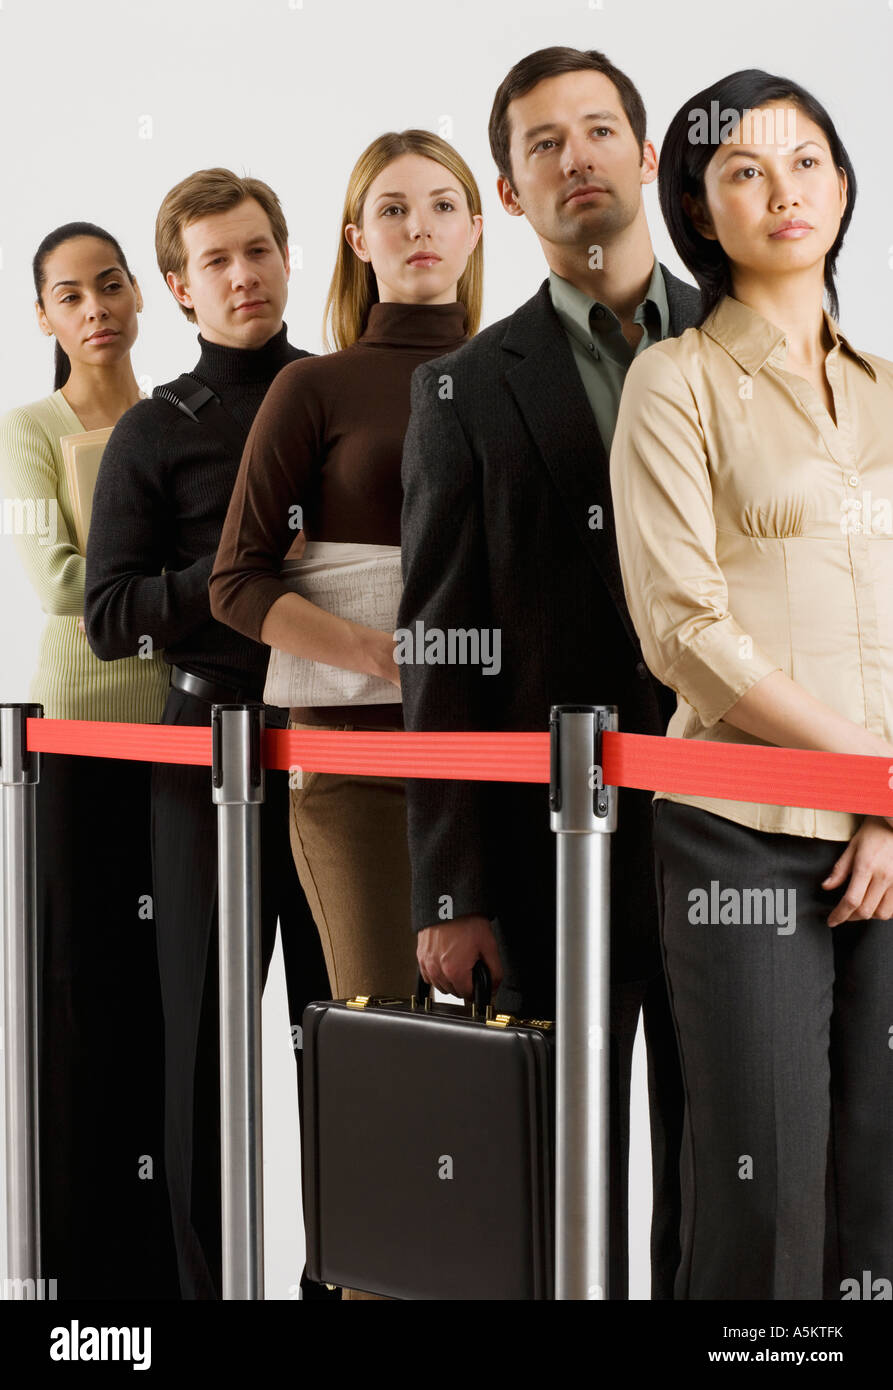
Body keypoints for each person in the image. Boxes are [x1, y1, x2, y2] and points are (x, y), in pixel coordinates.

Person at [396, 47, 700, 1300]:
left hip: (744, 837)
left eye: (596, 130)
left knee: (734, 1167)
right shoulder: (461, 390)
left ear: (639, 152)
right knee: (552, 1183)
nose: (575, 155)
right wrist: (449, 884)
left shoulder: (756, 341)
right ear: (510, 195)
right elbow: (437, 641)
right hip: (539, 859)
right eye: (540, 142)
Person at [609, 69, 893, 1300]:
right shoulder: (670, 380)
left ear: (841, 185)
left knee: (876, 1188)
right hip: (743, 834)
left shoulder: (887, 391)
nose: (783, 191)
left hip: (888, 823)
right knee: (760, 1188)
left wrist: (883, 800)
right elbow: (683, 628)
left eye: (806, 161)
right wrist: (870, 776)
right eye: (742, 170)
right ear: (695, 211)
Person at [83, 170, 333, 1301]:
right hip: (204, 753)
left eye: (258, 251)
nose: (243, 276)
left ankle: (350, 1285)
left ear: (289, 259)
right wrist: (233, 580)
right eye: (216, 262)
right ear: (180, 290)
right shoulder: (154, 427)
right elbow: (110, 609)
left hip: (343, 746)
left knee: (347, 1035)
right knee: (197, 1050)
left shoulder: (345, 396)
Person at [210, 128, 481, 1012]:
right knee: (382, 1038)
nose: (419, 228)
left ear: (476, 227)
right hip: (353, 765)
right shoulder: (313, 388)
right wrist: (380, 656)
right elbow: (237, 581)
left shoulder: (515, 377)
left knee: (514, 1043)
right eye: (391, 210)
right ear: (357, 240)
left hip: (497, 760)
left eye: (442, 206)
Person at [0, 223, 177, 1297]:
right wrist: (186, 588)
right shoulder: (26, 431)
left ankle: (170, 1273)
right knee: (83, 1000)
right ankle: (83, 1285)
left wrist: (154, 592)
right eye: (70, 295)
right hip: (79, 741)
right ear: (45, 319)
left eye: (110, 284)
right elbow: (65, 589)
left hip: (188, 733)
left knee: (172, 1010)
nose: (95, 307)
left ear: (143, 295)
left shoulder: (177, 418)